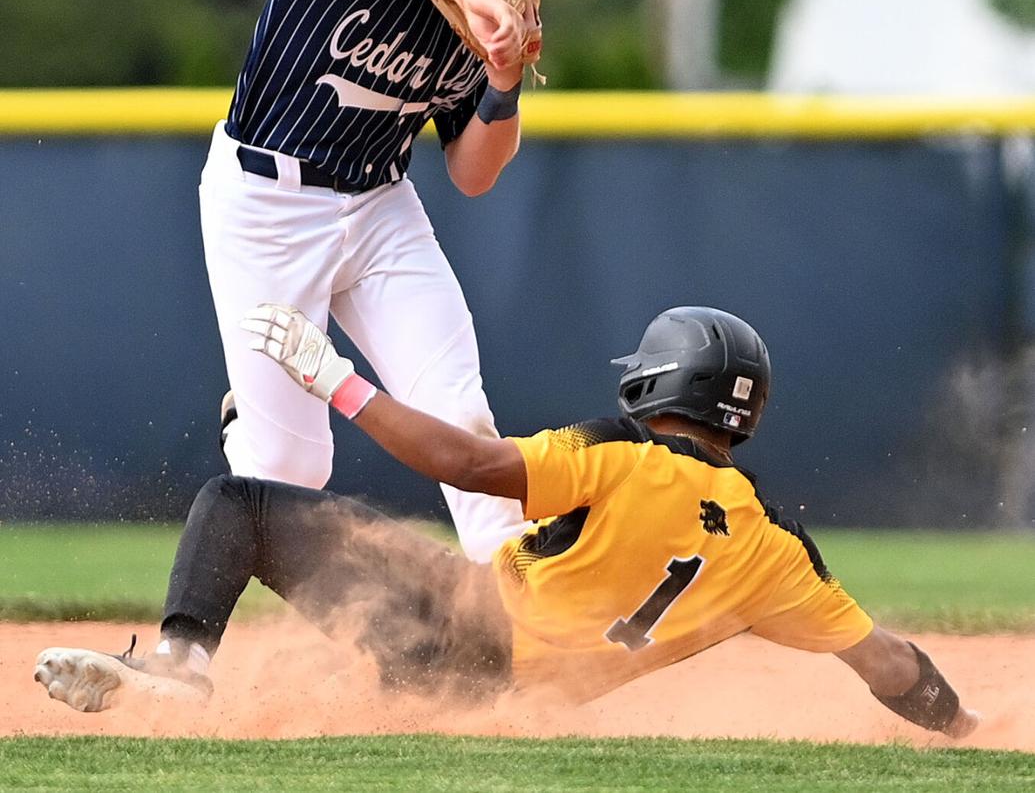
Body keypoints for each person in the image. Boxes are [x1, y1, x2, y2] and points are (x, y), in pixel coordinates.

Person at [35, 304, 978, 738]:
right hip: (501, 700)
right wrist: (969, 726)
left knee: (236, 503)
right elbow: (889, 665)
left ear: (658, 383)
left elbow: (469, 465)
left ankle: (180, 668)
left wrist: (336, 381)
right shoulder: (777, 551)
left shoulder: (623, 451)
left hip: (461, 627)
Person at [199, 0, 576, 563]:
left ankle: (518, 602)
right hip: (266, 202)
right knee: (293, 471)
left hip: (379, 207)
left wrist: (504, 77)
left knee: (458, 412)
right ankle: (248, 438)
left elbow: (473, 173)